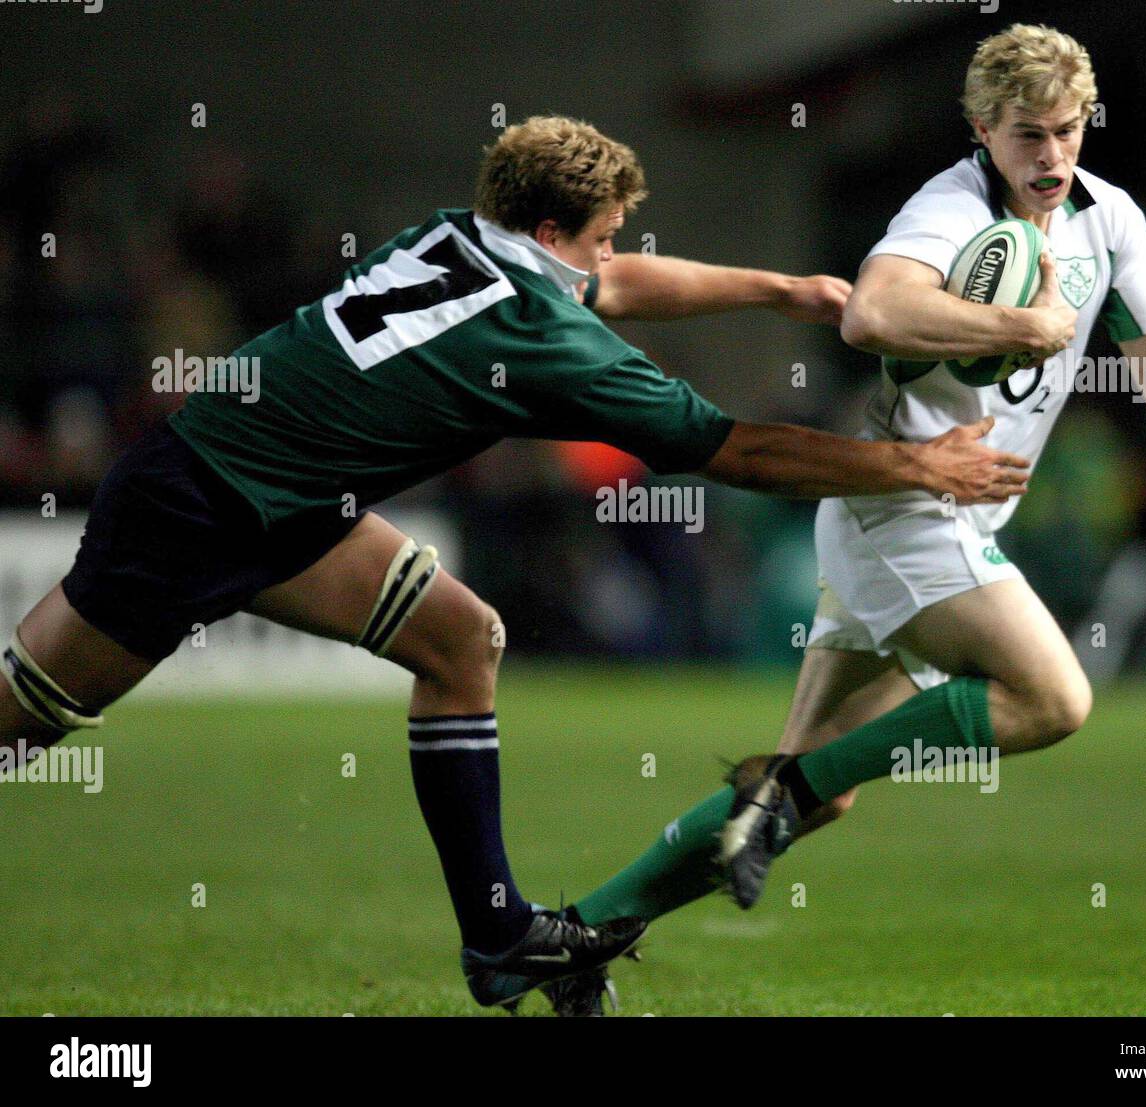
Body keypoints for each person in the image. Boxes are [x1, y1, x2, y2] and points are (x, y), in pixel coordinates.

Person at [0, 115, 1030, 1012]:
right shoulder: (543, 337)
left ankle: (499, 939)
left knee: (460, 639)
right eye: (601, 235)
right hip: (196, 509)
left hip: (279, 491)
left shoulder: (450, 238)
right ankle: (499, 938)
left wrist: (778, 290)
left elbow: (614, 282)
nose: (611, 257)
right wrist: (913, 462)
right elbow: (738, 450)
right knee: (24, 722)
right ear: (547, 236)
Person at [561, 24, 1146, 1015]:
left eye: (1068, 131)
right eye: (1028, 134)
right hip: (904, 506)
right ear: (982, 128)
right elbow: (869, 316)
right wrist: (1019, 325)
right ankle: (790, 788)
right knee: (1052, 700)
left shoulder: (1110, 220)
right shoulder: (945, 207)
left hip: (951, 521)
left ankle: (573, 938)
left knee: (823, 790)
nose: (1052, 156)